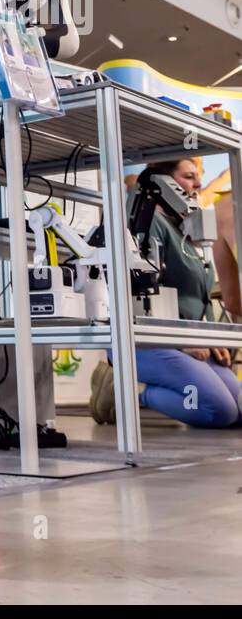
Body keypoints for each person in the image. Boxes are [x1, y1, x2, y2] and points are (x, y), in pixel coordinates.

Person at [91, 158, 241, 428]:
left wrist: (207, 336)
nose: (198, 184)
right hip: (147, 343)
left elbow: (194, 298)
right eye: (189, 176)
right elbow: (133, 295)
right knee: (218, 410)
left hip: (189, 343)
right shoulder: (147, 225)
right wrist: (182, 342)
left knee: (239, 411)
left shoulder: (185, 231)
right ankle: (127, 392)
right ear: (165, 182)